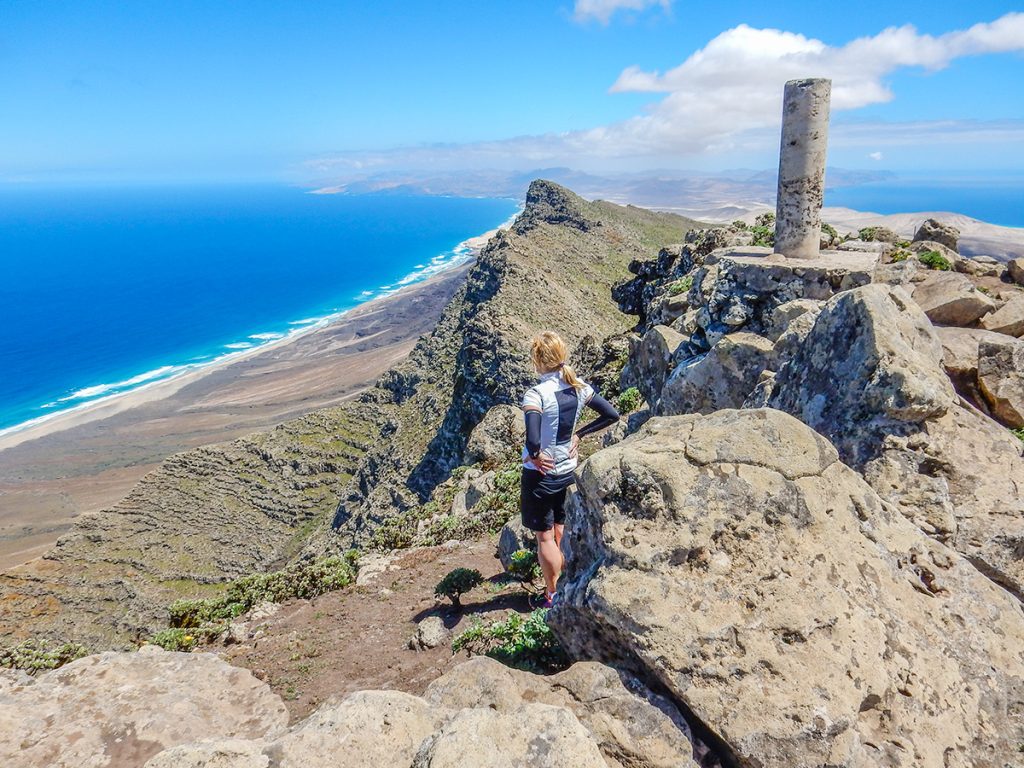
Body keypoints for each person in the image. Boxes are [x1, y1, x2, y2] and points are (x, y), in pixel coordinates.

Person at [521, 331, 620, 608]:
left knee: (544, 536)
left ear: (538, 361)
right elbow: (611, 414)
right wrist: (579, 435)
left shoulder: (536, 394)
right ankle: (565, 584)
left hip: (540, 475)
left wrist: (536, 456)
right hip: (567, 468)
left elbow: (533, 439)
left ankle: (552, 594)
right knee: (560, 528)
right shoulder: (579, 387)